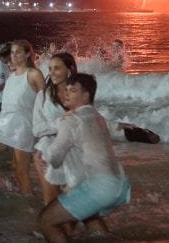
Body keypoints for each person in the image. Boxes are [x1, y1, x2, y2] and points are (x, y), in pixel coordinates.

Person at [38, 73, 131, 243]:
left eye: (72, 91)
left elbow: (55, 158)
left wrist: (43, 153)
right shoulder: (97, 116)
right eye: (66, 90)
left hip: (101, 187)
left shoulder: (72, 120)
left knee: (46, 220)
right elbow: (120, 129)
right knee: (89, 216)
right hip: (120, 183)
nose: (66, 94)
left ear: (86, 96)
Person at [0, 39, 45, 194]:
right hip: (3, 127)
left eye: (18, 52)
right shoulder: (11, 75)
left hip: (23, 128)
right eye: (12, 52)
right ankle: (1, 182)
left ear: (27, 54)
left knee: (21, 172)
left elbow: (46, 102)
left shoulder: (33, 74)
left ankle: (29, 207)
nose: (13, 55)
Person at [34, 52, 78, 205]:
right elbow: (37, 129)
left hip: (76, 153)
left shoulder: (80, 94)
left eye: (57, 68)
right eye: (50, 68)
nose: (52, 72)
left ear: (69, 70)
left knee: (78, 205)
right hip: (48, 152)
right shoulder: (43, 96)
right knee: (52, 203)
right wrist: (61, 122)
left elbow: (89, 121)